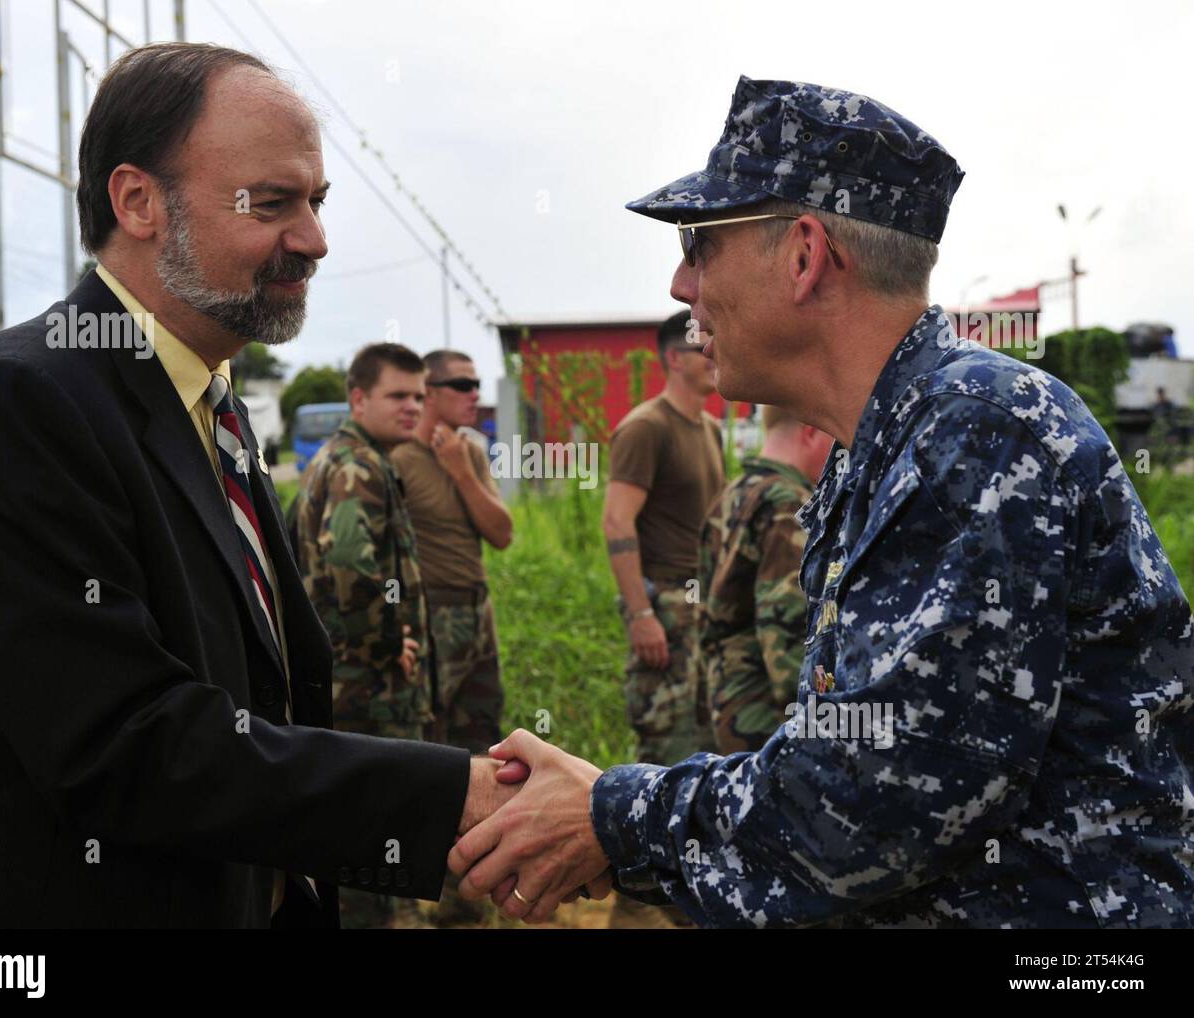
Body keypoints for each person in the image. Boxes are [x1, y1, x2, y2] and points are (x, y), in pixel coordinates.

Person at [449, 77, 1194, 929]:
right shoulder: (881, 445)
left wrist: (610, 814)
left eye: (699, 244)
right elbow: (848, 756)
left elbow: (878, 801)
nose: (680, 285)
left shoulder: (977, 433)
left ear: (804, 256)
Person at [0, 42, 523, 929]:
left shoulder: (206, 403)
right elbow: (123, 744)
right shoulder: (23, 401)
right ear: (139, 201)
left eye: (316, 201)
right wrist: (451, 792)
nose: (314, 238)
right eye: (272, 203)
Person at [295, 342, 433, 928]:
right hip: (366, 689)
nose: (413, 408)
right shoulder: (359, 465)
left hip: (351, 683)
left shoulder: (353, 457)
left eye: (420, 397)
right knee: (377, 840)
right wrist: (385, 640)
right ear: (359, 397)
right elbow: (350, 561)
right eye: (398, 396)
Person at [390, 349, 513, 925]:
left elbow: (502, 532)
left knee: (485, 743)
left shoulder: (467, 452)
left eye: (475, 382)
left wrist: (464, 472)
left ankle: (474, 890)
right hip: (432, 617)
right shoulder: (400, 459)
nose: (472, 393)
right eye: (460, 384)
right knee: (434, 752)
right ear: (429, 392)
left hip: (476, 612)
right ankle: (428, 890)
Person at [603, 309, 725, 768]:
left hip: (704, 607)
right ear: (675, 359)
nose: (715, 352)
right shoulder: (646, 428)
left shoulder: (710, 429)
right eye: (703, 346)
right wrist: (641, 614)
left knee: (708, 746)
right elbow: (617, 522)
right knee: (666, 752)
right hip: (665, 608)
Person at [696, 405, 833, 754]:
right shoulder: (788, 504)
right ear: (810, 430)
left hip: (729, 704)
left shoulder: (734, 494)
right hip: (770, 722)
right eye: (834, 440)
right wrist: (823, 717)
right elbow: (787, 631)